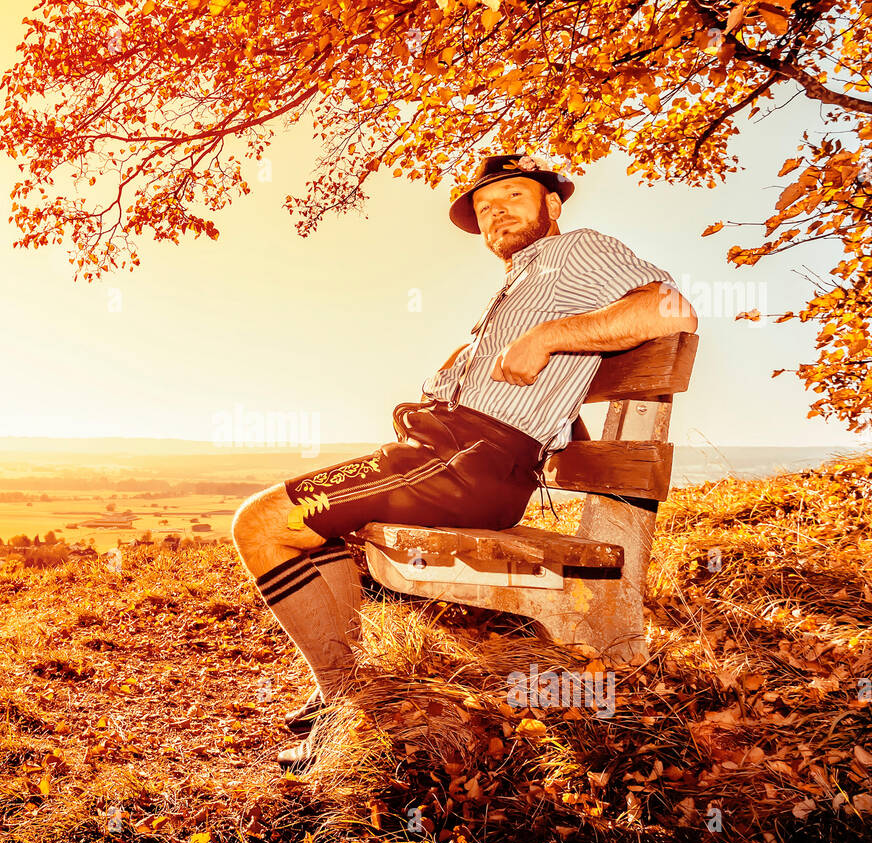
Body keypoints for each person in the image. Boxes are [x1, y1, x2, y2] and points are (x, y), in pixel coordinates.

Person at [232, 153, 699, 770]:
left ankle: (346, 703)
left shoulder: (575, 250)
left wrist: (548, 337)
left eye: (511, 196)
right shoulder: (524, 279)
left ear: (552, 206)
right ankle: (344, 693)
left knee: (262, 523)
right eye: (483, 207)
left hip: (469, 460)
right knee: (305, 527)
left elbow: (670, 310)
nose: (495, 212)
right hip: (449, 453)